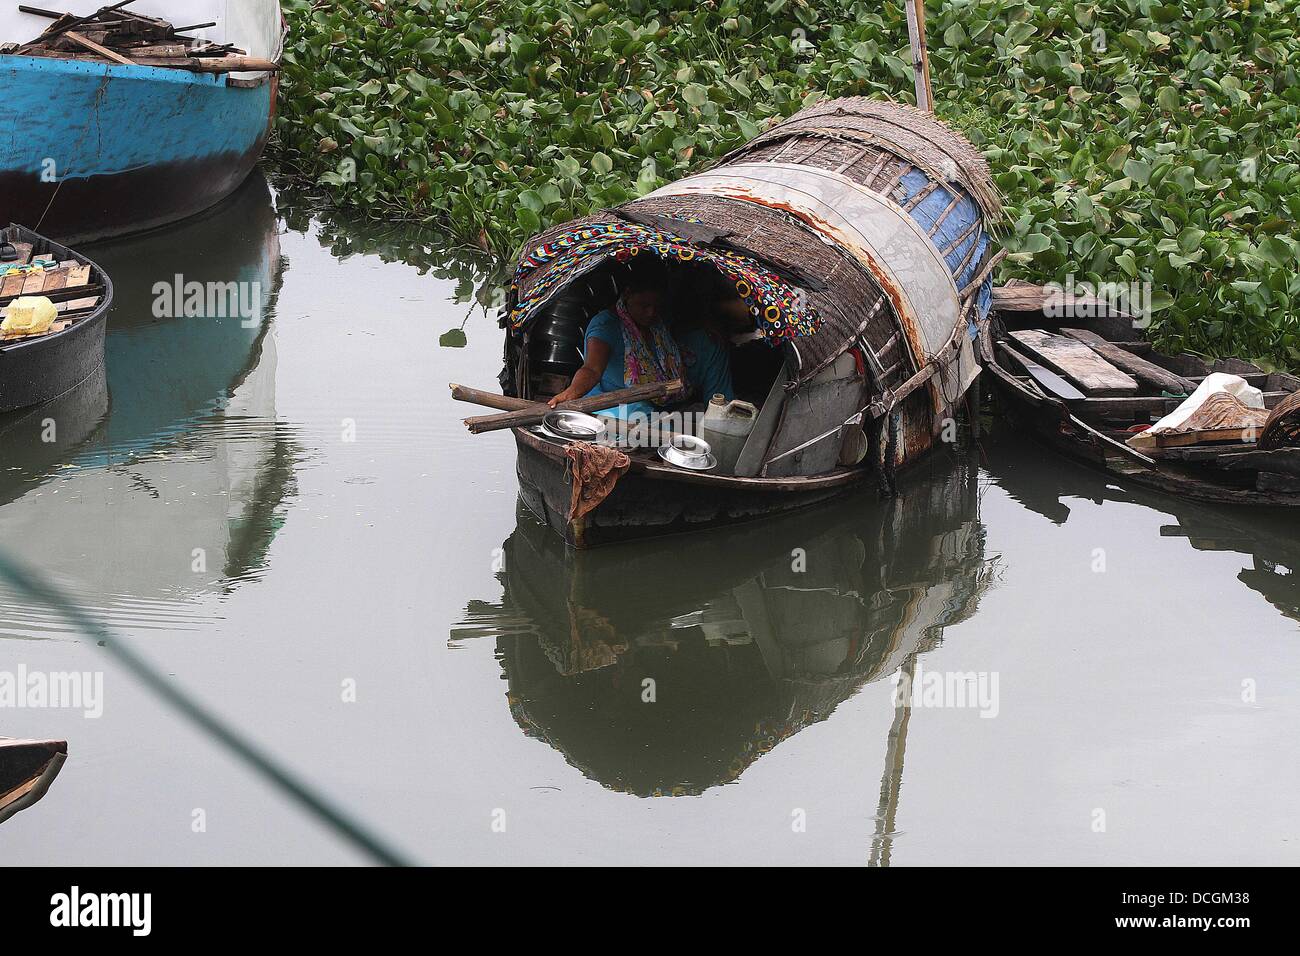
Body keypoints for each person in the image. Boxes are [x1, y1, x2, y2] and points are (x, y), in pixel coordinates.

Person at [550, 265, 732, 417]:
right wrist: (570, 394)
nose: (651, 313)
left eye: (656, 306)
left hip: (662, 396)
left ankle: (721, 412)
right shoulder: (605, 325)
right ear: (628, 294)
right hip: (619, 404)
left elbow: (680, 322)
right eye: (644, 306)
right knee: (638, 416)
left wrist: (706, 324)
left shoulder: (658, 321)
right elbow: (591, 369)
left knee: (710, 342)